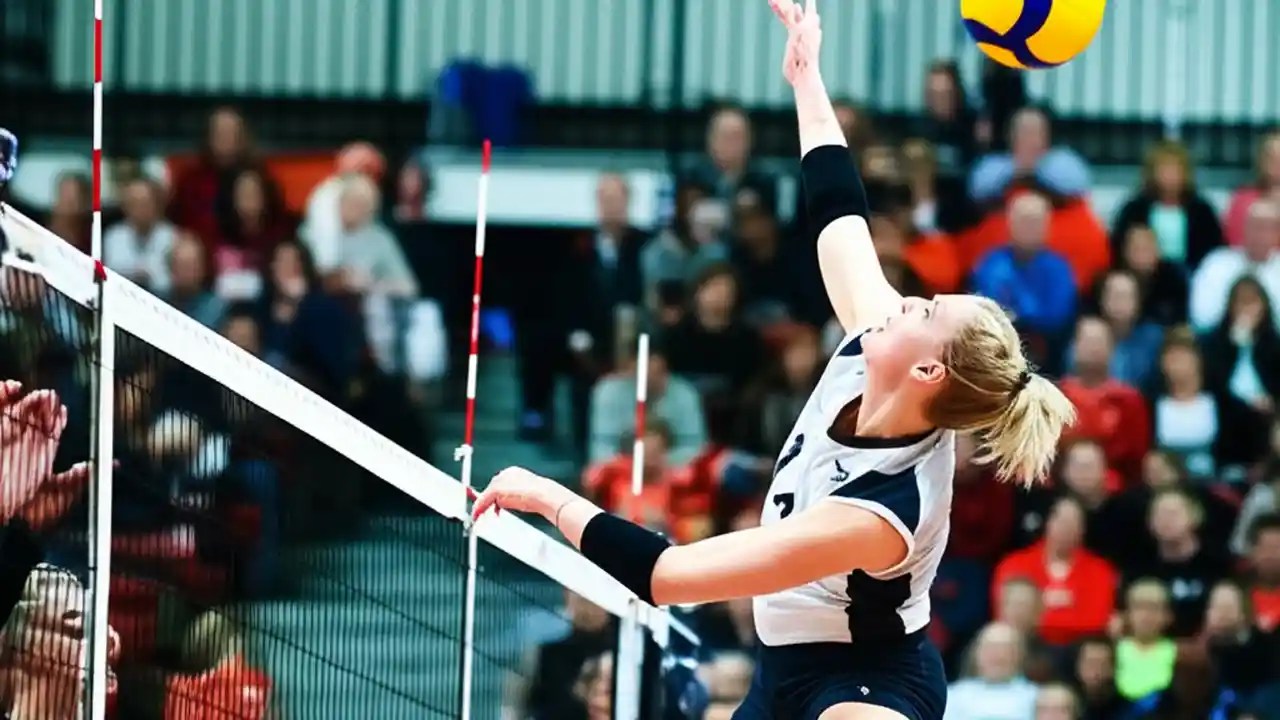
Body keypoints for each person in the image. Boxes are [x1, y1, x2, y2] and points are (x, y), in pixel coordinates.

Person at [472, 3, 1076, 718]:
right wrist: (806, 75)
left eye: (926, 310)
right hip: (781, 667)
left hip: (866, 682)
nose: (905, 300)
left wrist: (549, 497)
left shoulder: (888, 509)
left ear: (927, 373)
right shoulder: (874, 341)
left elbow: (669, 575)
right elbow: (836, 205)